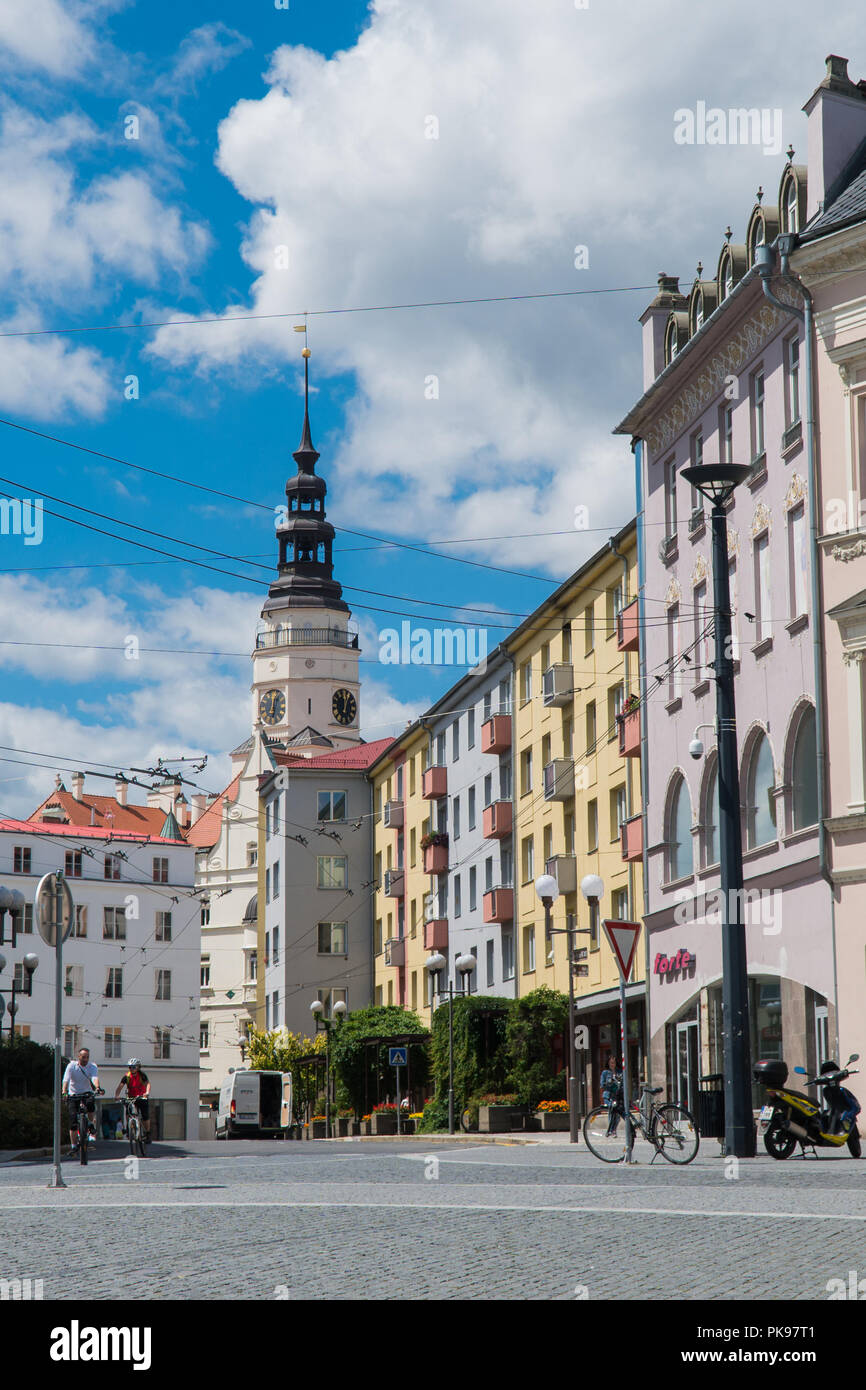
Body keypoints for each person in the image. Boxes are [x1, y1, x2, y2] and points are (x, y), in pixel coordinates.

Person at [61, 1046, 100, 1153]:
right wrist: (64, 1092)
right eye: (83, 1057)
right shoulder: (71, 1066)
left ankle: (91, 1124)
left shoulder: (92, 1066)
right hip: (73, 1094)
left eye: (87, 1057)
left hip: (87, 1093)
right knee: (73, 1120)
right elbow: (66, 1080)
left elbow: (94, 1078)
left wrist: (97, 1087)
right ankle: (73, 1146)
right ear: (79, 1057)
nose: (85, 1059)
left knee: (91, 1106)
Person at [115, 1059, 152, 1142]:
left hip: (141, 1097)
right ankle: (129, 1129)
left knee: (145, 1115)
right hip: (131, 1097)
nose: (131, 1069)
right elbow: (120, 1087)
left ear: (138, 1067)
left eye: (133, 1067)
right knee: (128, 1111)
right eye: (130, 1067)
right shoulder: (127, 1076)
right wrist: (117, 1095)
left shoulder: (142, 1075)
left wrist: (147, 1092)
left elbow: (148, 1084)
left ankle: (148, 1133)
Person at [600, 1054, 623, 1137]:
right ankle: (612, 1131)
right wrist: (609, 1083)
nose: (612, 1064)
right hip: (609, 1095)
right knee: (612, 1111)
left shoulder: (620, 1072)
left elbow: (623, 1083)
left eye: (614, 1062)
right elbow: (602, 1085)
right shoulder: (605, 1072)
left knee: (617, 1116)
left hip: (617, 1095)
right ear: (608, 1063)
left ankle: (611, 1130)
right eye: (611, 1063)